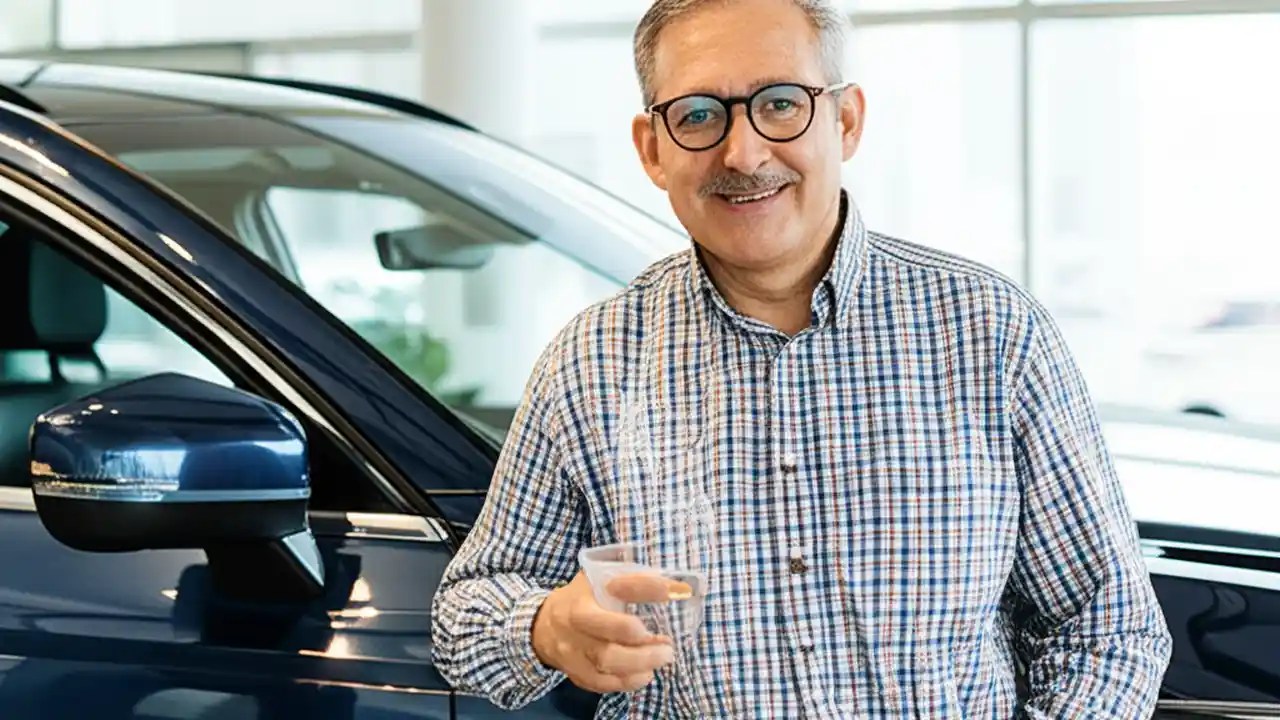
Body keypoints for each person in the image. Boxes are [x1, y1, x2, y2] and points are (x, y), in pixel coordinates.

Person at [431, 0, 1173, 716]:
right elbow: (463, 620)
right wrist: (544, 628)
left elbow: (1108, 625)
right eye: (697, 116)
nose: (743, 153)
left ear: (845, 120)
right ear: (652, 150)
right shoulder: (593, 363)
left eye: (781, 104)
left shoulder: (987, 331)